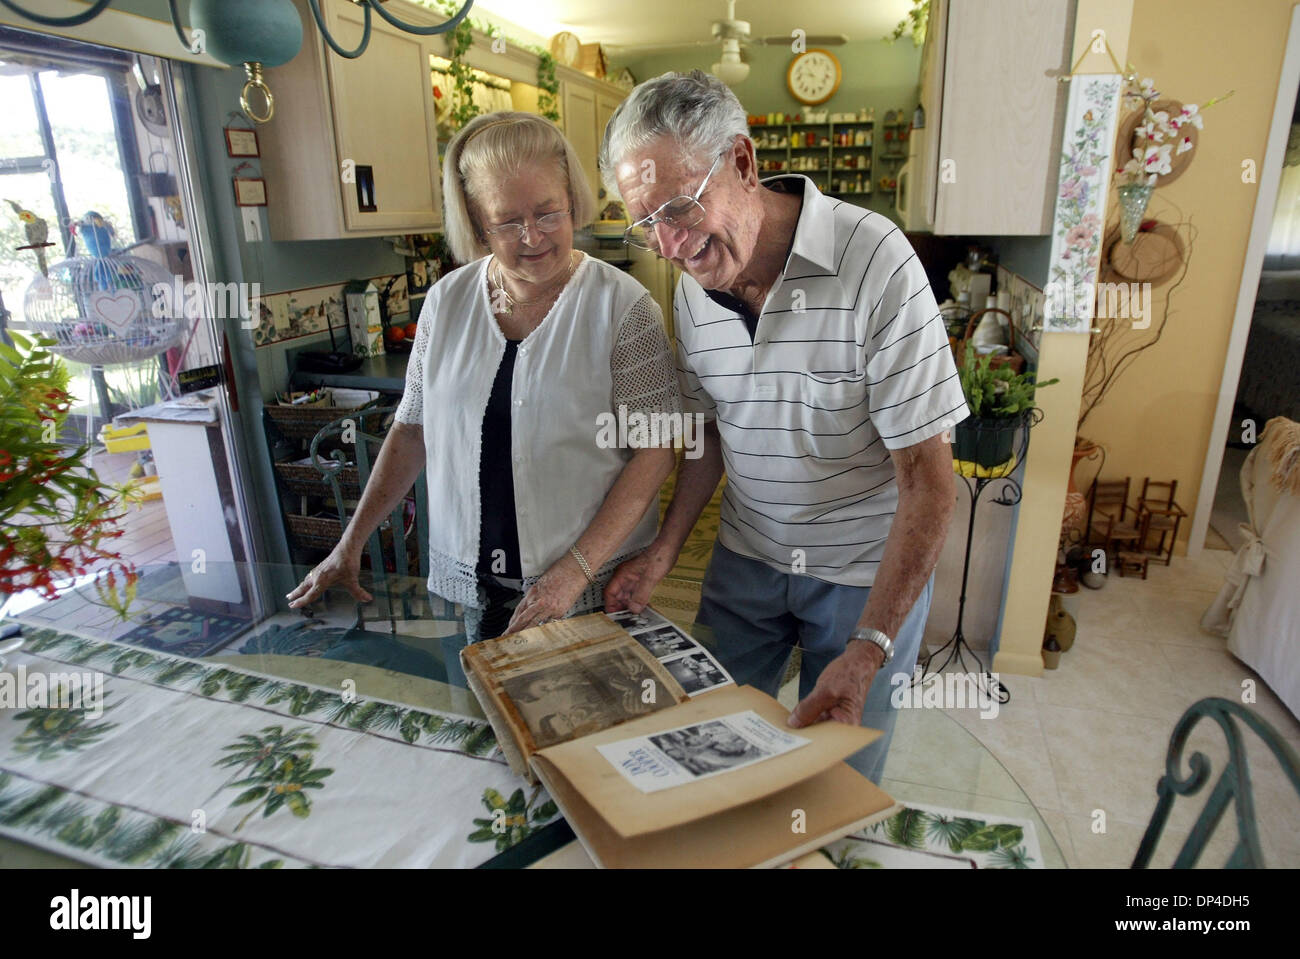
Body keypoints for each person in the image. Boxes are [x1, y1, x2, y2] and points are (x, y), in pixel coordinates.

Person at [598, 72, 968, 783]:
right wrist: (664, 552)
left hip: (864, 573)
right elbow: (709, 433)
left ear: (742, 162)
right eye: (647, 223)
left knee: (838, 779)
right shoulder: (692, 283)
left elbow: (928, 479)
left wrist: (869, 645)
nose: (669, 245)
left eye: (678, 206)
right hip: (748, 560)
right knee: (708, 751)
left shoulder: (875, 259)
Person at [288, 112, 680, 643]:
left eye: (548, 214)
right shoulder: (447, 302)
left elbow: (655, 451)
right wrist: (349, 542)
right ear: (475, 224)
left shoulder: (623, 307)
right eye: (506, 221)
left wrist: (572, 574)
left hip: (592, 586)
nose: (532, 237)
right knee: (489, 719)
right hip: (478, 582)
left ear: (572, 199)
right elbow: (411, 429)